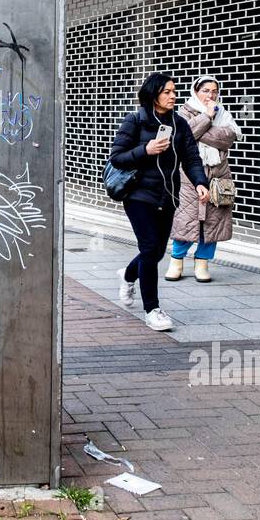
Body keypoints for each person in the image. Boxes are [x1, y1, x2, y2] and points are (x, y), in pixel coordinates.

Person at [107, 73, 209, 331]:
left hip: (168, 196)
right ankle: (152, 309)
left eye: (174, 91)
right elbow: (117, 157)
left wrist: (200, 182)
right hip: (139, 196)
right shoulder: (135, 121)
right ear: (154, 95)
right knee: (150, 248)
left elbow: (192, 158)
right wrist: (146, 150)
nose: (173, 96)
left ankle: (128, 274)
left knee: (154, 251)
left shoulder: (180, 124)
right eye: (167, 92)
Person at [168, 75, 242, 283]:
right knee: (186, 219)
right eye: (206, 90)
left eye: (214, 91)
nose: (211, 95)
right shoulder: (182, 112)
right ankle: (177, 261)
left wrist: (202, 128)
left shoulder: (224, 113)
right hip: (188, 174)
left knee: (213, 221)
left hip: (218, 174)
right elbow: (183, 136)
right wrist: (207, 117)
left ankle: (202, 262)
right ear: (196, 91)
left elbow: (228, 139)